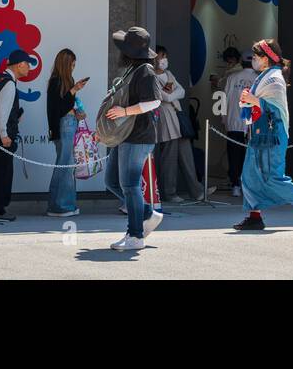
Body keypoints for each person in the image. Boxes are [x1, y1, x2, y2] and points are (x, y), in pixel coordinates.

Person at [234, 39, 293, 232]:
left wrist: (253, 99)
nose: (254, 60)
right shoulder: (266, 75)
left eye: (256, 56)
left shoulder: (274, 79)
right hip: (261, 132)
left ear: (266, 58)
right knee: (250, 175)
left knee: (272, 176)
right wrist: (251, 100)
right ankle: (255, 216)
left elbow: (276, 109)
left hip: (272, 134)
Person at [101, 26, 164, 251]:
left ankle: (135, 235)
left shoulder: (145, 70)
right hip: (127, 135)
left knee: (129, 184)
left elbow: (154, 101)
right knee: (113, 181)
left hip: (138, 136)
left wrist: (124, 112)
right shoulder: (134, 69)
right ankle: (147, 213)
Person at [0, 48, 32, 221]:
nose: (29, 69)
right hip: (1, 137)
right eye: (27, 65)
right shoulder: (9, 83)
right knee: (3, 173)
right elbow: (0, 110)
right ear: (19, 65)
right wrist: (4, 133)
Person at [153, 45, 209, 204]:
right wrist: (171, 95)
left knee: (186, 154)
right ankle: (168, 193)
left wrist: (171, 95)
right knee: (168, 156)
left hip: (177, 115)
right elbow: (163, 96)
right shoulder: (151, 77)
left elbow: (182, 91)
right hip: (165, 116)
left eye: (164, 56)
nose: (163, 59)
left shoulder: (168, 73)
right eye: (160, 56)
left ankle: (197, 190)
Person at [46, 47, 88, 217]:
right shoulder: (57, 81)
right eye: (71, 65)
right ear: (65, 64)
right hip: (65, 125)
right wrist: (74, 89)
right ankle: (62, 205)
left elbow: (65, 106)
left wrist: (78, 112)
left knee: (64, 165)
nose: (73, 68)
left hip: (68, 123)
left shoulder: (63, 81)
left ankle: (58, 204)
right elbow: (59, 107)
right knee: (66, 165)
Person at [220, 46, 256, 197]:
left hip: (234, 122)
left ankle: (235, 185)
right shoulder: (258, 79)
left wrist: (224, 118)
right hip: (252, 124)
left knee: (234, 155)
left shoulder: (232, 77)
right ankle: (249, 186)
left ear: (241, 61)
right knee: (251, 156)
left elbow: (224, 99)